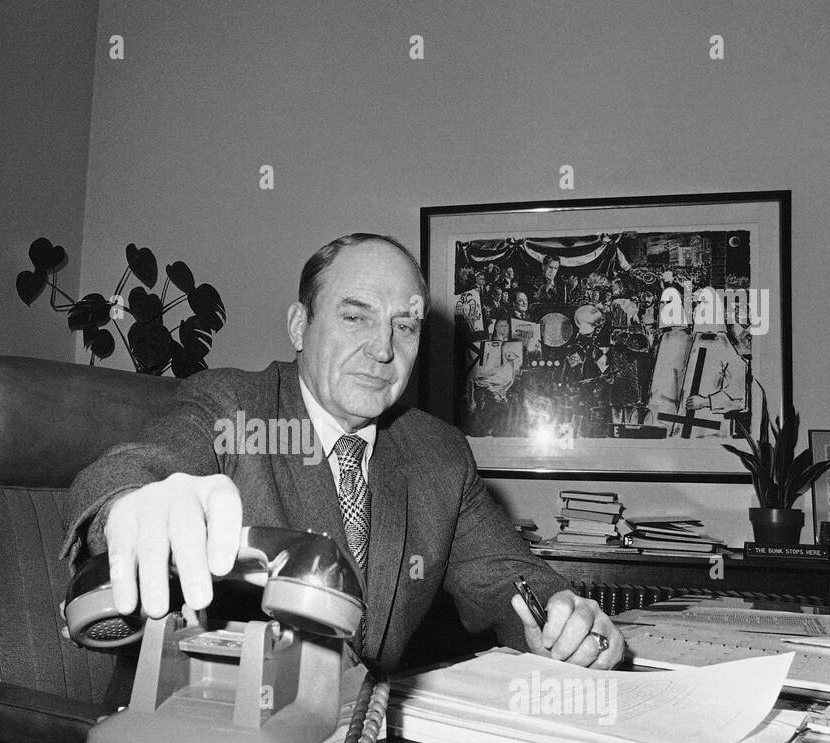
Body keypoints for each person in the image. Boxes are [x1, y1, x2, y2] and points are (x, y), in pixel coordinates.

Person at [61, 233, 625, 674]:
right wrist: (134, 505)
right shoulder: (233, 405)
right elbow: (134, 469)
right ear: (299, 326)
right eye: (355, 316)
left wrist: (569, 620)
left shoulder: (437, 453)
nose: (383, 349)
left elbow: (512, 581)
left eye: (404, 326)